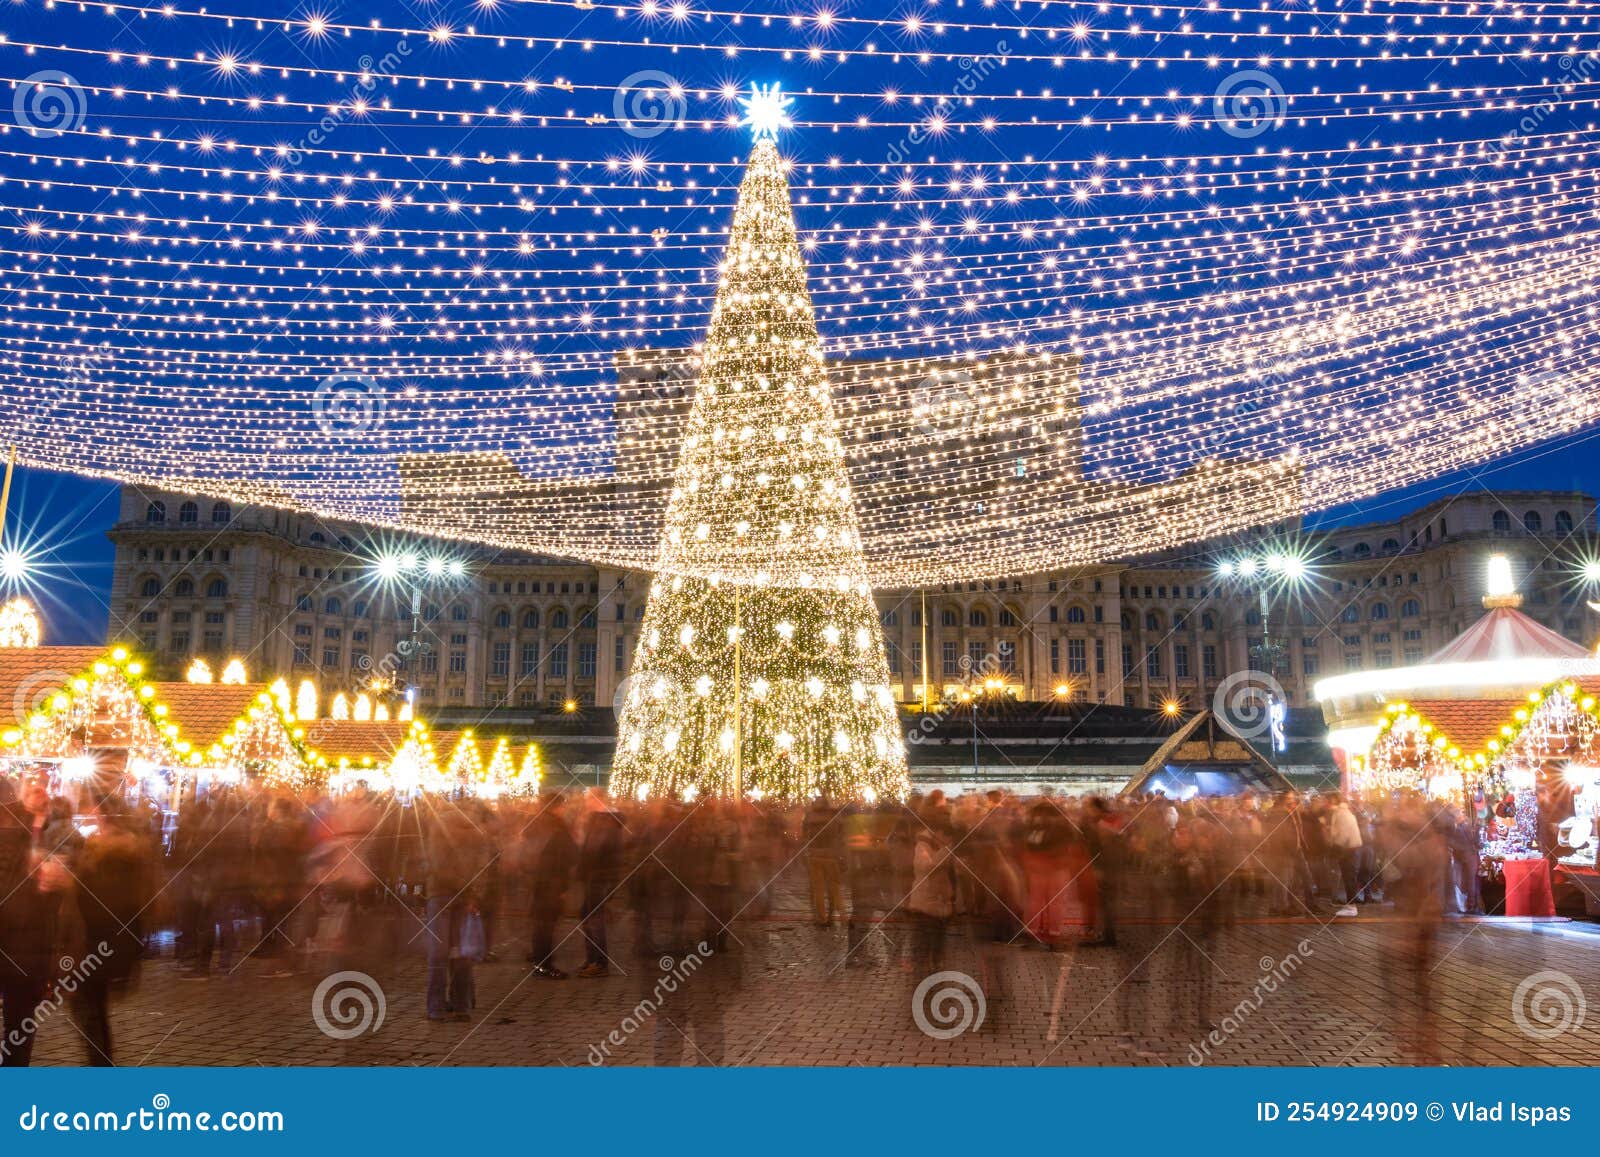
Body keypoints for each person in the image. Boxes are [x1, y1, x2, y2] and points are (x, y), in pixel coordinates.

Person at [70, 802, 156, 1065]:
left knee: (88, 1007)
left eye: (94, 811)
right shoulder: (124, 851)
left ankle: (101, 1067)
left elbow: (102, 901)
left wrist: (72, 879)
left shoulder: (113, 855)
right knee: (93, 1007)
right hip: (108, 943)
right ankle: (101, 1063)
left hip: (99, 943)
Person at [0, 778, 52, 1066]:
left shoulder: (44, 837)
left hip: (25, 949)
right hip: (25, 950)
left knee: (18, 1026)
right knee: (19, 1028)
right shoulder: (35, 838)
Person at [576, 789, 625, 979]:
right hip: (594, 876)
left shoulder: (606, 822)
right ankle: (592, 959)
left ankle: (600, 962)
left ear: (598, 800)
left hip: (600, 877)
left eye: (589, 799)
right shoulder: (597, 820)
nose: (586, 802)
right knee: (587, 915)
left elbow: (595, 850)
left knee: (595, 919)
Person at [525, 793, 575, 978]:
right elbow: (570, 853)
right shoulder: (556, 826)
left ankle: (540, 962)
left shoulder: (534, 823)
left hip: (538, 881)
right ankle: (544, 965)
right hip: (552, 883)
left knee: (540, 925)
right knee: (546, 926)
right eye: (562, 806)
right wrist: (562, 887)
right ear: (556, 807)